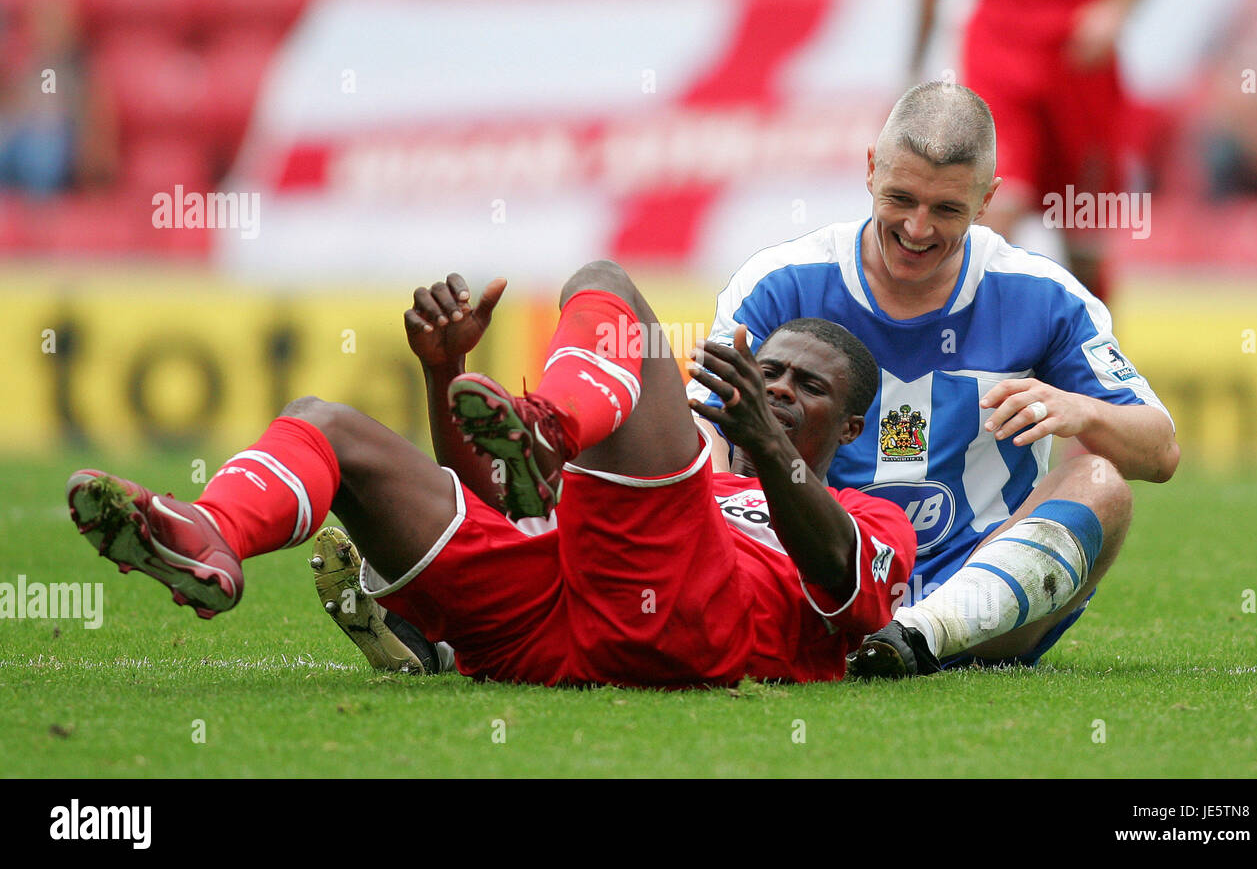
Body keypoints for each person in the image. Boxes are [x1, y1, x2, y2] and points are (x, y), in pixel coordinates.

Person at [66, 260, 915, 687]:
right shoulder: (688, 472)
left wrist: (768, 450)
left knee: (605, 281)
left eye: (807, 386)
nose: (776, 390)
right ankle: (213, 536)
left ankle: (548, 431)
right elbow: (489, 504)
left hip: (683, 621)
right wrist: (443, 374)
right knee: (329, 425)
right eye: (768, 373)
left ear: (849, 425)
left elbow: (851, 590)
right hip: (545, 627)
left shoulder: (869, 518)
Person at [688, 82, 1179, 678]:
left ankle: (918, 635)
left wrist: (1083, 411)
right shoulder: (781, 282)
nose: (918, 229)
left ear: (987, 199)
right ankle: (875, 632)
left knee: (1101, 480)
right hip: (812, 574)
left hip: (976, 599)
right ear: (870, 169)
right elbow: (704, 436)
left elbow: (1161, 451)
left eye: (946, 209)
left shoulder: (1041, 296)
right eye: (901, 198)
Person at [908, 0, 1174, 300]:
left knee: (1084, 228)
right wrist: (910, 74)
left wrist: (1114, 9)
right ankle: (983, 352)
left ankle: (1091, 352)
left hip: (1081, 62)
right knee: (994, 210)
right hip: (996, 57)